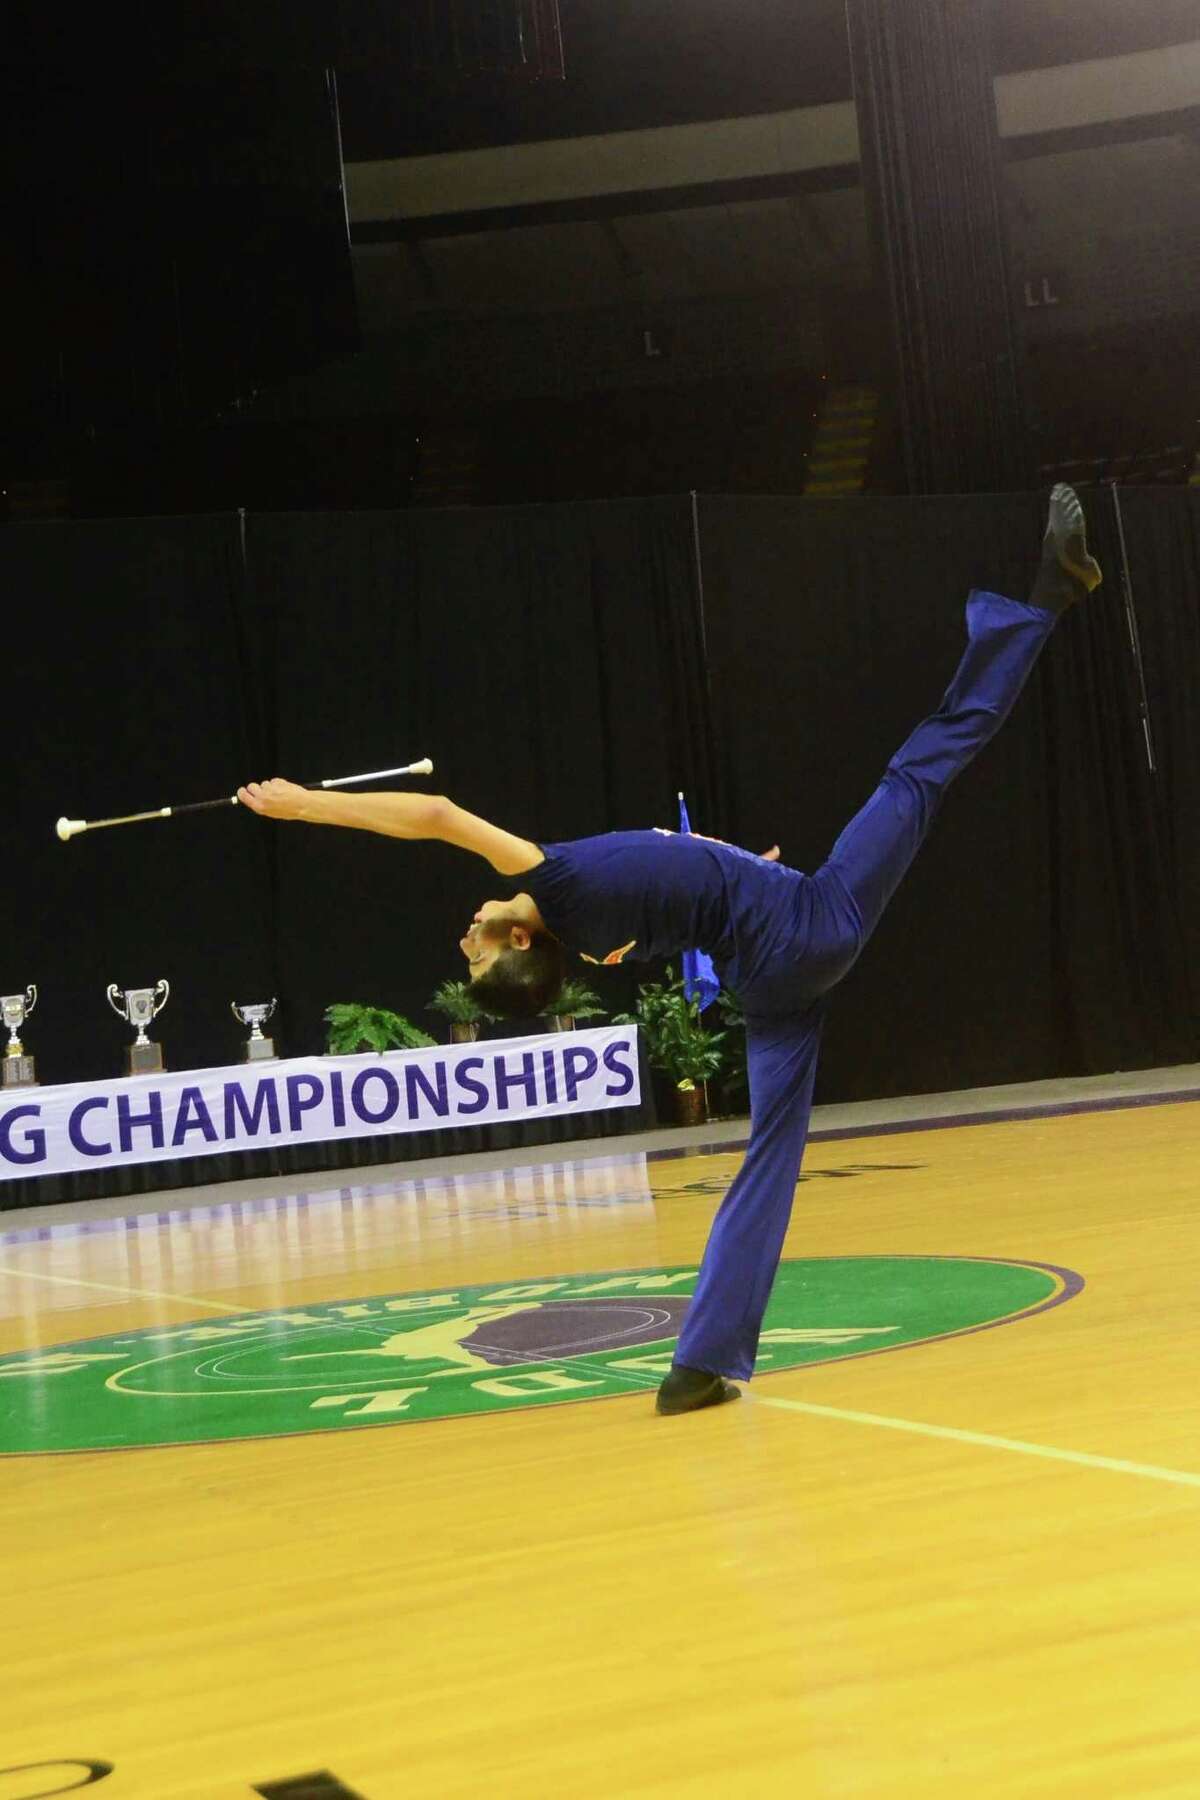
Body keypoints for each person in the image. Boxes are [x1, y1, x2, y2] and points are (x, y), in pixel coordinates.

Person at [239, 486, 1102, 1416]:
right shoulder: (554, 885)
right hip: (806, 926)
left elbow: (683, 883)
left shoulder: (595, 938)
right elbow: (438, 815)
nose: (467, 938)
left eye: (470, 951)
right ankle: (1046, 597)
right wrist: (304, 805)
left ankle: (701, 1362)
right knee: (922, 766)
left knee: (770, 1154)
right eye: (480, 953)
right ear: (520, 935)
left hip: (776, 978)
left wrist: (740, 866)